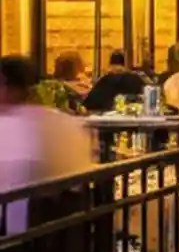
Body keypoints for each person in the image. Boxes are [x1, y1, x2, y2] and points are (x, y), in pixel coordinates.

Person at [0, 56, 93, 233]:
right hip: (68, 240)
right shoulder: (69, 124)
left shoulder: (9, 126)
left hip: (16, 242)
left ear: (7, 88)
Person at [83, 50, 147, 112]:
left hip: (108, 114)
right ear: (124, 65)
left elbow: (90, 102)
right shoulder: (135, 79)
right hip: (132, 113)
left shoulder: (105, 80)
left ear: (110, 65)